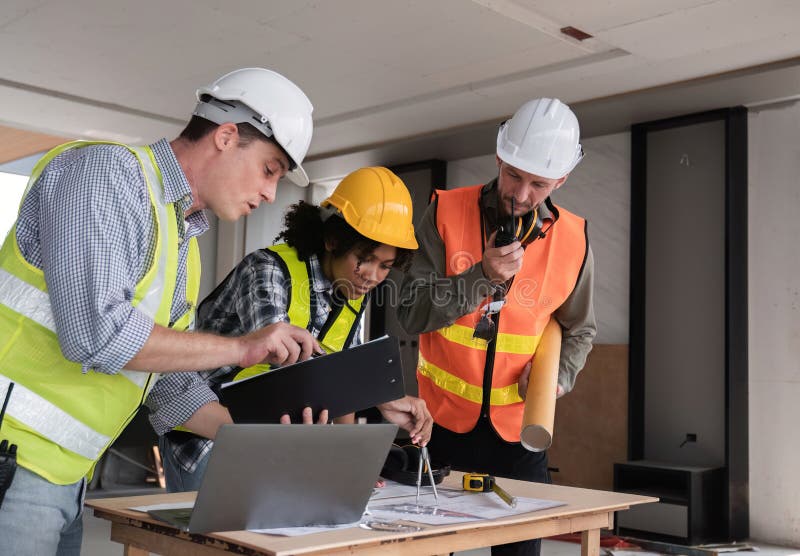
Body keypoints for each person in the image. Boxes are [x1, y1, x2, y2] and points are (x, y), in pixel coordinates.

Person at [0, 66, 325, 556]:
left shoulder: (182, 240)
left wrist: (256, 441)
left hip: (63, 476)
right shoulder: (106, 175)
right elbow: (95, 334)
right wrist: (242, 348)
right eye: (269, 169)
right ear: (226, 136)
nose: (269, 194)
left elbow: (166, 384)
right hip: (13, 460)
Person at [151, 166, 433, 492]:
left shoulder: (353, 296)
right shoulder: (268, 270)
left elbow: (343, 383)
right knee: (216, 541)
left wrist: (348, 461)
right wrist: (378, 395)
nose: (372, 275)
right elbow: (289, 364)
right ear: (333, 240)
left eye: (385, 266)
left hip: (275, 440)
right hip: (207, 436)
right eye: (364, 258)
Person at [397, 98, 597, 556]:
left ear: (561, 180)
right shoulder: (444, 213)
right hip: (437, 425)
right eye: (514, 175)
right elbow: (410, 311)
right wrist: (480, 278)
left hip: (519, 434)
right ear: (499, 157)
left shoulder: (574, 240)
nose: (522, 193)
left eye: (539, 183)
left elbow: (580, 329)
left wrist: (557, 378)